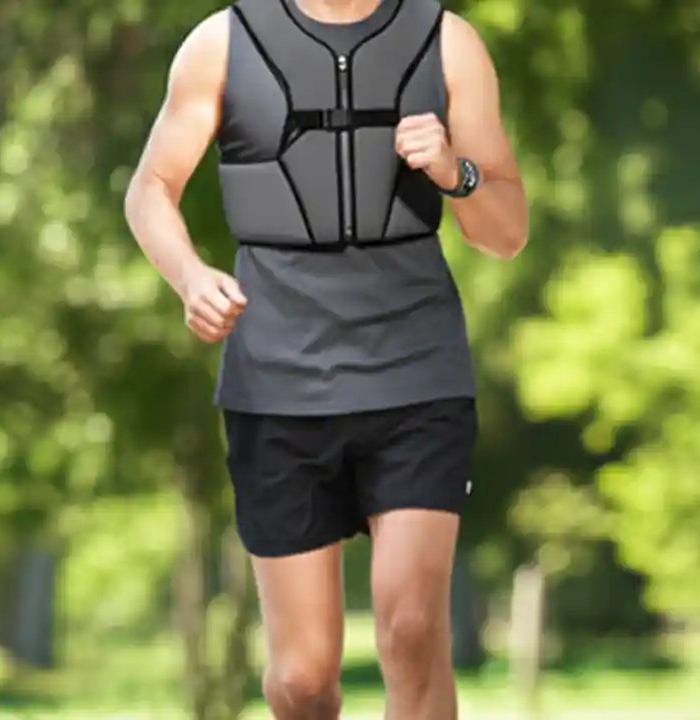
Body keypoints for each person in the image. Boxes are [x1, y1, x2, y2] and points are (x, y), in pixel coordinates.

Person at [124, 0, 527, 717]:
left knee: (411, 629)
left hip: (417, 373)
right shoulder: (221, 42)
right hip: (276, 381)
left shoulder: (448, 43)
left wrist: (451, 171)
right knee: (303, 680)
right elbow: (151, 190)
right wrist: (189, 277)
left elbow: (506, 231)